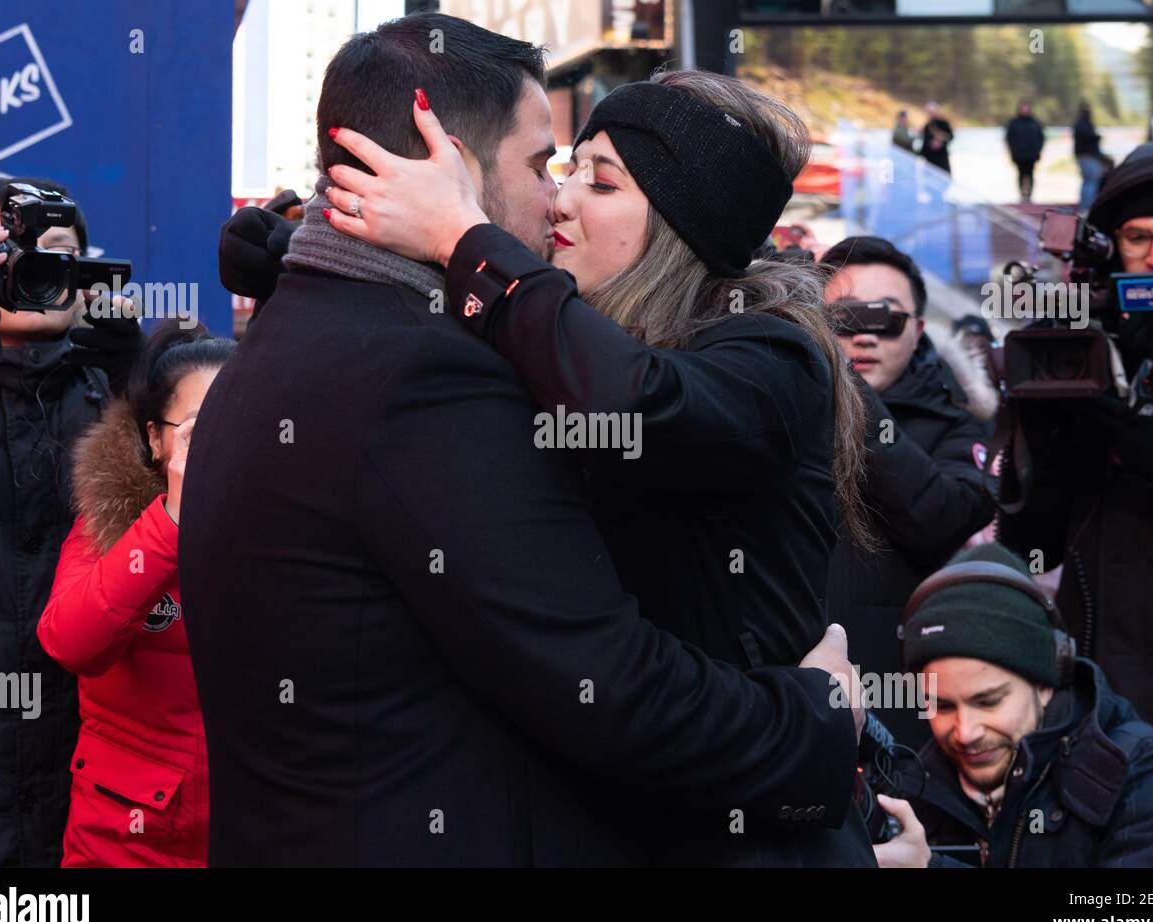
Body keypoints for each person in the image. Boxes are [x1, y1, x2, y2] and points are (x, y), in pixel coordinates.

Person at [182, 14, 873, 867]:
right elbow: (604, 688)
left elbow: (640, 403)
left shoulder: (764, 353)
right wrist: (811, 721)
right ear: (452, 170)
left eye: (598, 180)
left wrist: (459, 240)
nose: (561, 199)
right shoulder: (425, 370)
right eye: (552, 165)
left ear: (680, 231)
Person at [996, 140, 1153, 832]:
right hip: (1090, 718)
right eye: (1138, 236)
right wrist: (1033, 432)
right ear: (1112, 246)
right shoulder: (1074, 357)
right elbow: (1032, 544)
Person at [0, 178, 142, 866]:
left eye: (57, 256)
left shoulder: (118, 392)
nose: (37, 272)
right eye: (12, 256)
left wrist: (136, 380)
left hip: (89, 788)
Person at [872, 544, 1153, 868]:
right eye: (942, 705)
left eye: (989, 701)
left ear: (1047, 682)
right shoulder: (910, 793)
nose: (966, 731)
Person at [37, 321, 232, 867]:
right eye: (198, 428)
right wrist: (171, 520)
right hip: (126, 840)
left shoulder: (284, 520)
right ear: (153, 438)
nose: (220, 441)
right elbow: (70, 642)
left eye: (235, 421)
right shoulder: (112, 522)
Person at [818, 237, 997, 747]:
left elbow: (938, 518)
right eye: (846, 318)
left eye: (887, 318)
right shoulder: (777, 406)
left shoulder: (961, 423)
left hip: (899, 709)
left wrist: (843, 382)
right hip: (778, 694)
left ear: (918, 329)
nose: (865, 336)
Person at [1004, 100, 1045, 202]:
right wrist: (1013, 150)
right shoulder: (1014, 123)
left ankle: (1029, 194)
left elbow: (1041, 138)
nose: (1025, 110)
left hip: (1032, 154)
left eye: (1026, 108)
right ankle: (1022, 194)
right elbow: (1009, 138)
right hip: (1019, 155)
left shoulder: (1035, 122)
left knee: (1030, 174)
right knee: (1021, 174)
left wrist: (1038, 150)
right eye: (1023, 108)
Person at [1073, 103, 1102, 212]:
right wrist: (1097, 137)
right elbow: (1088, 138)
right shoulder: (1083, 125)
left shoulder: (1082, 124)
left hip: (1086, 156)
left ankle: (1085, 207)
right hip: (1088, 157)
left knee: (1087, 183)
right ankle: (1087, 207)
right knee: (1090, 183)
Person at [919, 102, 953, 175]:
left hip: (941, 158)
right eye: (928, 112)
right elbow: (925, 142)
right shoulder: (927, 126)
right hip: (930, 160)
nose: (930, 114)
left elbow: (950, 136)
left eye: (932, 112)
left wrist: (940, 143)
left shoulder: (943, 124)